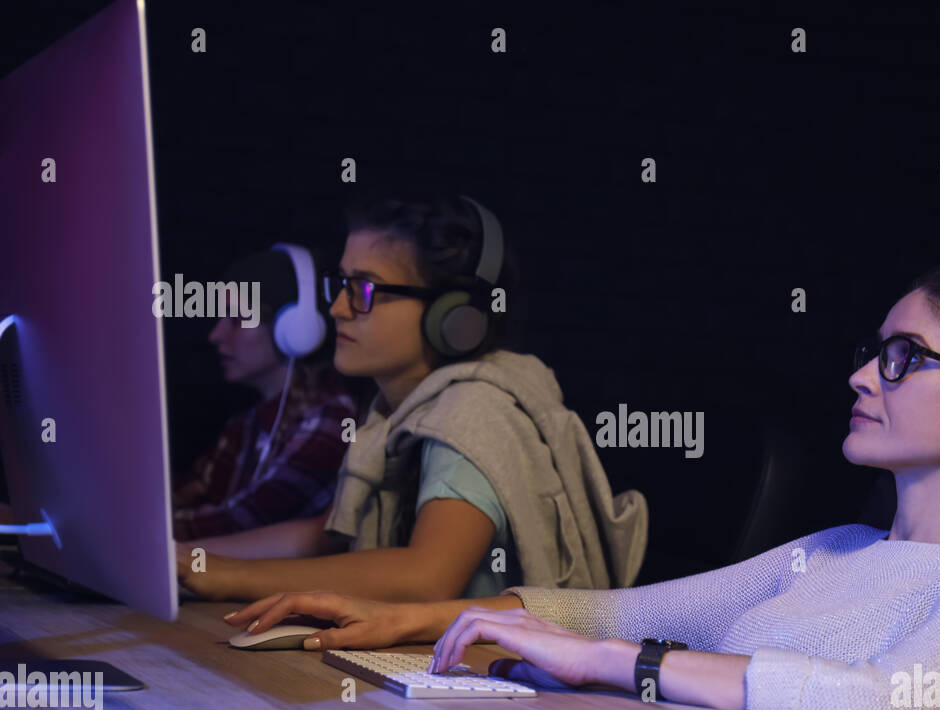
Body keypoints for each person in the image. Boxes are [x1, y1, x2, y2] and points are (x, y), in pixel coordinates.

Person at [220, 260, 940, 710]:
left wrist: (618, 663)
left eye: (904, 357)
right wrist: (410, 616)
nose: (862, 373)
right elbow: (613, 613)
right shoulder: (836, 546)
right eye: (878, 348)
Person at [177, 193, 647, 603]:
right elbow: (323, 535)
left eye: (362, 289)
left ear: (453, 316)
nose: (338, 308)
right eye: (339, 284)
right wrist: (185, 559)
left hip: (495, 693)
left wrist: (230, 576)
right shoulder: (395, 414)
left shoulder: (474, 413)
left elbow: (425, 577)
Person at [172, 246, 362, 541]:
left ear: (294, 330)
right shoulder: (245, 426)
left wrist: (146, 532)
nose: (215, 335)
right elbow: (186, 494)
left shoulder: (331, 421)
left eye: (236, 319)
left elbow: (240, 523)